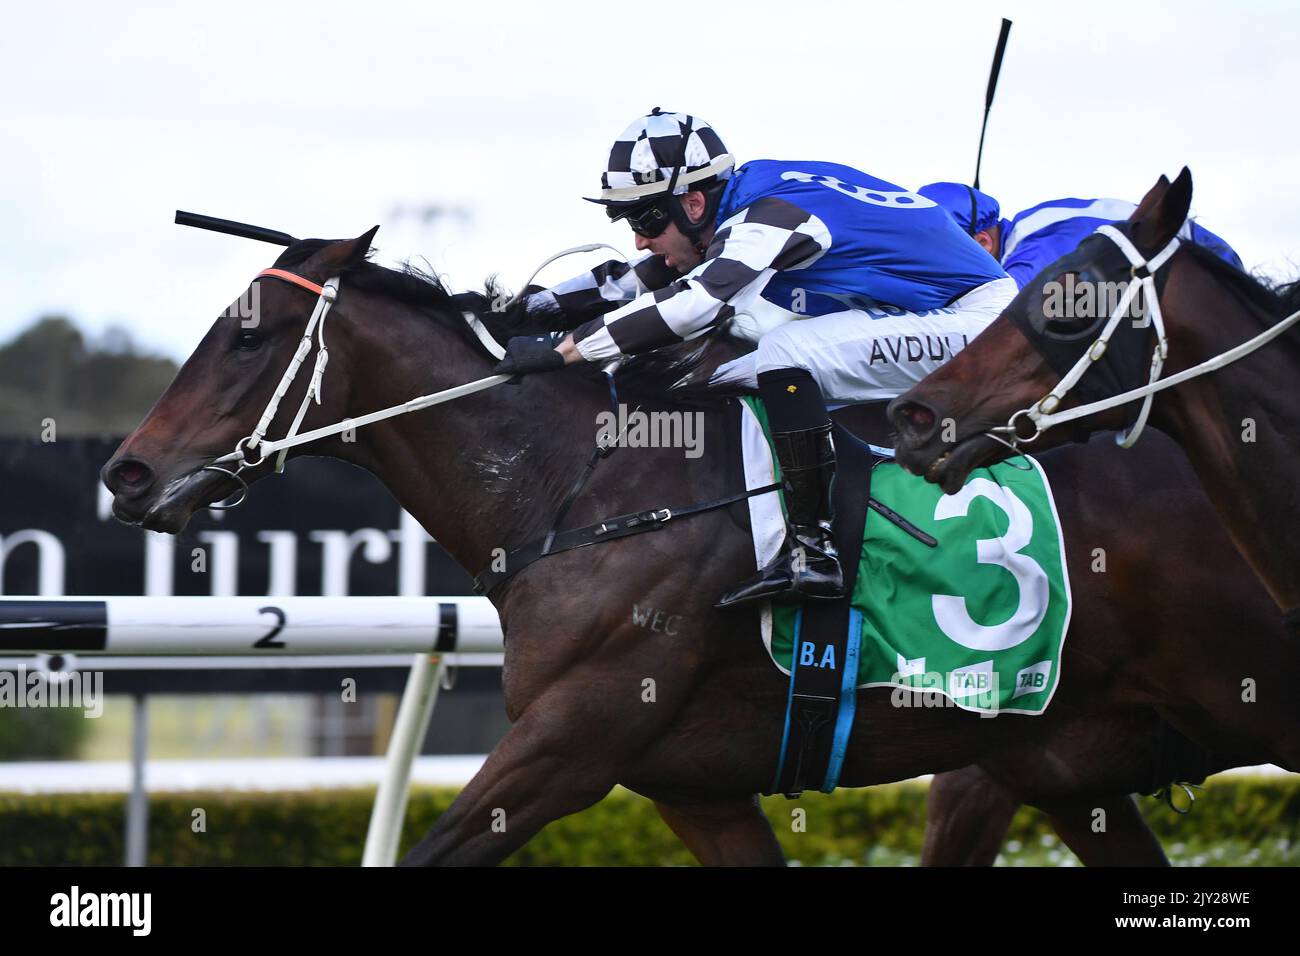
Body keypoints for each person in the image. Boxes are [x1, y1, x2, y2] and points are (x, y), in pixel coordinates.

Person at [495, 109, 1016, 609]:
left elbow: (697, 303)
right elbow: (637, 279)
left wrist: (566, 351)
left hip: (981, 326)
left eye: (644, 218)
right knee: (742, 362)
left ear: (694, 204)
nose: (638, 237)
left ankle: (814, 549)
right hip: (946, 316)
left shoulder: (770, 214)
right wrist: (524, 312)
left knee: (779, 358)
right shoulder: (749, 203)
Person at [916, 183, 1243, 289]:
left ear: (984, 242)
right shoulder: (1028, 227)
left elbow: (1002, 318)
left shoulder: (1032, 251)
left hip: (1211, 272)